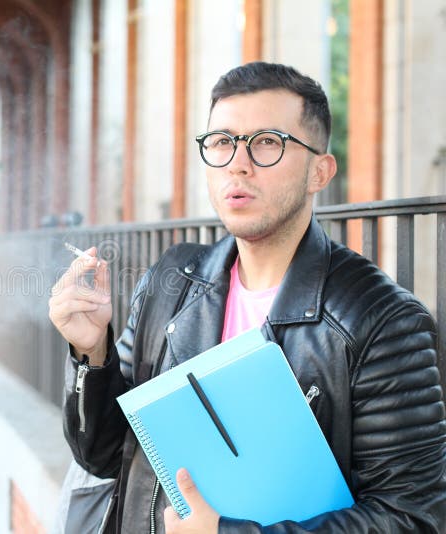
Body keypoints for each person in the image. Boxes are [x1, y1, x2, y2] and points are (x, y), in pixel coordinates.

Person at [48, 62, 446, 533]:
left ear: (320, 171)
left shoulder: (380, 321)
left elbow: (411, 518)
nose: (238, 162)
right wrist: (91, 354)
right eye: (222, 142)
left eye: (267, 143)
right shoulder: (173, 281)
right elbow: (108, 456)